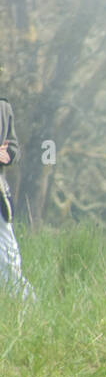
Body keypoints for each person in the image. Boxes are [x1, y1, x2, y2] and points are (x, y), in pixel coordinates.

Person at [0, 88, 33, 299]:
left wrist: (8, 154)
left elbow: (14, 148)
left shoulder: (3, 108)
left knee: (9, 261)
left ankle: (29, 314)